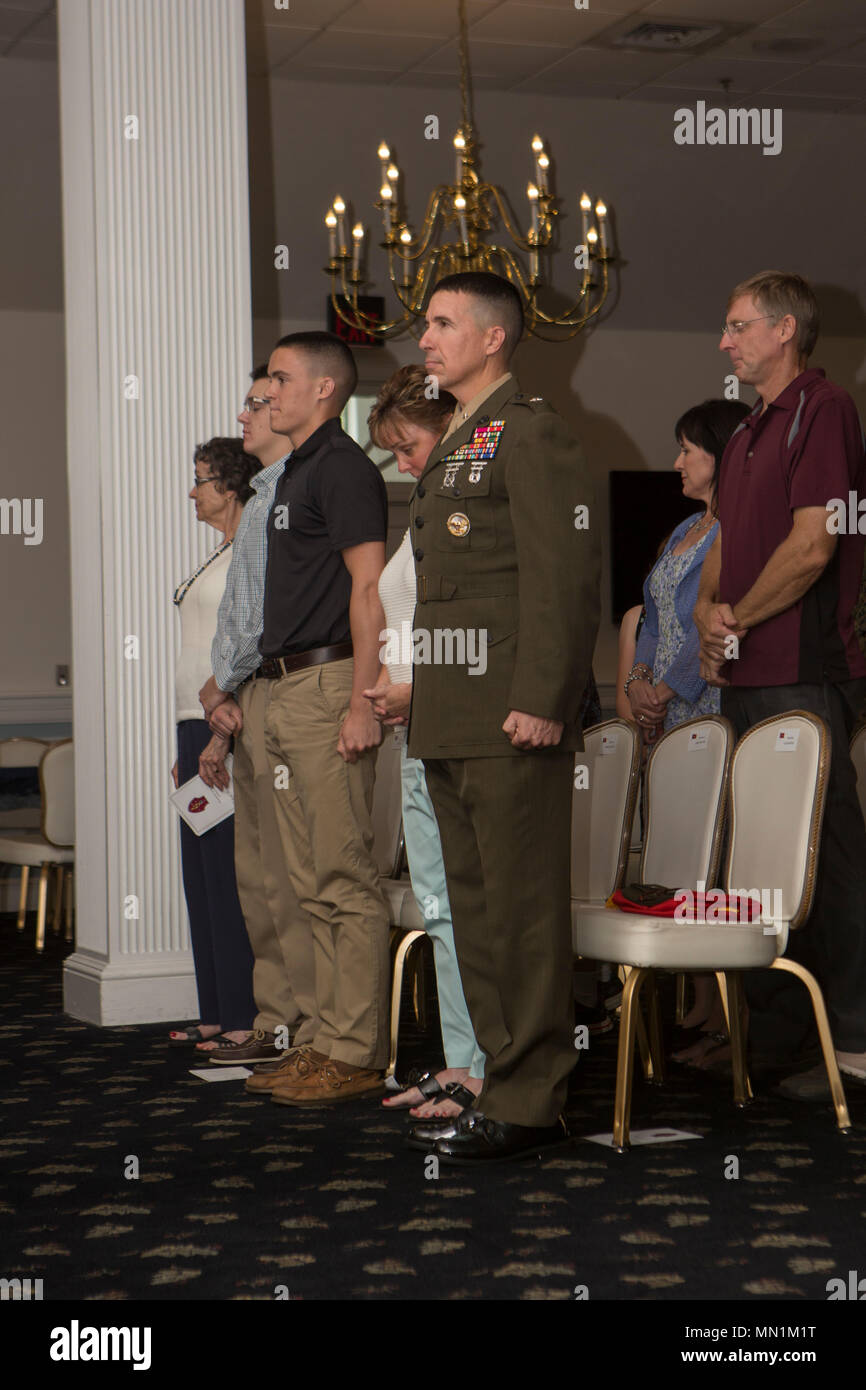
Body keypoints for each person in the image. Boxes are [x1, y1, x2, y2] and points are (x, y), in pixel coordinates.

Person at [406, 271, 600, 1162]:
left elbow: (561, 580)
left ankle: (532, 1099)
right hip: (451, 714)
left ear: (493, 339)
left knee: (521, 916)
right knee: (478, 914)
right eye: (426, 323)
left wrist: (540, 698)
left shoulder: (533, 434)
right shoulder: (460, 436)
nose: (425, 339)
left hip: (509, 715)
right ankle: (500, 1081)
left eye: (443, 323)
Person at [695, 269, 866, 1093]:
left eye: (737, 326)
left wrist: (740, 619)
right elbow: (722, 541)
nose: (725, 342)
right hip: (744, 670)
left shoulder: (823, 411)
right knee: (755, 862)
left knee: (827, 855)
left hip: (803, 670)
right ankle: (777, 1039)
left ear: (785, 330)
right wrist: (705, 611)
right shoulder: (746, 430)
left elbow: (813, 546)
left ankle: (857, 1038)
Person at [213, 332, 391, 1107]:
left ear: (324, 389)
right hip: (283, 689)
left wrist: (362, 699)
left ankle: (354, 1051)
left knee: (343, 877)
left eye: (280, 380)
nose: (267, 393)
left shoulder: (344, 469)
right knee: (305, 880)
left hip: (327, 686)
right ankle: (320, 1039)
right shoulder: (291, 478)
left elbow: (369, 589)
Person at [362, 366, 485, 1126]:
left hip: (448, 727)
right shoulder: (422, 516)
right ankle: (459, 1062)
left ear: (444, 431)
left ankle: (482, 1070)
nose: (401, 464)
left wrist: (419, 690)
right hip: (416, 732)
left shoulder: (467, 507)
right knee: (439, 909)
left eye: (406, 446)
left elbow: (479, 636)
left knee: (467, 910)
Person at [197, 369, 318, 1067]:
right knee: (259, 878)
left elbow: (263, 619)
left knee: (293, 876)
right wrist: (219, 710)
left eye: (259, 402)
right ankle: (276, 1017)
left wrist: (220, 704)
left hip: (281, 687)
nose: (247, 414)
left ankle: (306, 1026)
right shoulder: (266, 492)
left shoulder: (298, 488)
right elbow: (239, 619)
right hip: (247, 695)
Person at [168, 438, 259, 1049]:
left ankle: (244, 1019)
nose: (194, 492)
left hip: (221, 722)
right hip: (190, 722)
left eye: (202, 480)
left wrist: (219, 736)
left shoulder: (250, 553)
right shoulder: (217, 554)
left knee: (229, 879)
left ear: (230, 487)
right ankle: (214, 1010)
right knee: (199, 879)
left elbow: (248, 644)